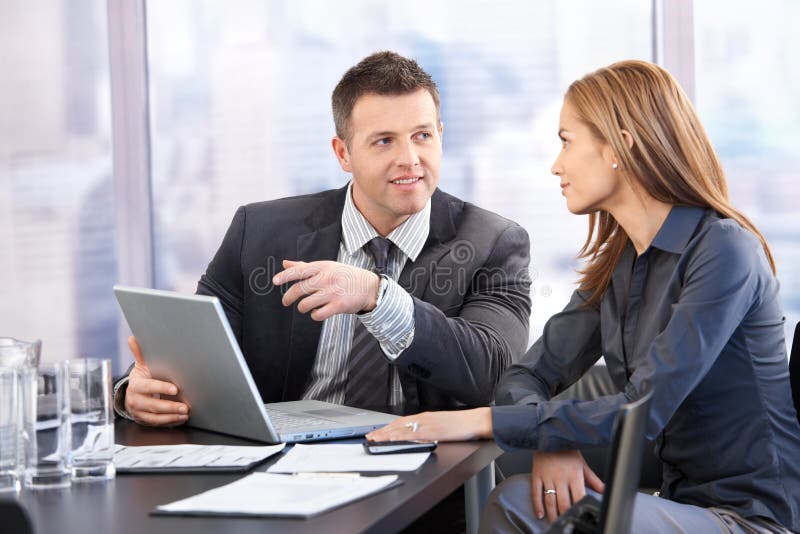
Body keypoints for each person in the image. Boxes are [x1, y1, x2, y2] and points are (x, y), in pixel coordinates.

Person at [367, 60, 800, 533]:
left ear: (620, 146)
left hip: (751, 520)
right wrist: (553, 444)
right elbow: (527, 375)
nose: (557, 164)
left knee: (520, 506)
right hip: (678, 505)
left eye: (567, 141)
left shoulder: (724, 250)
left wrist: (477, 422)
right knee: (519, 498)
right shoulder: (620, 264)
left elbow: (644, 410)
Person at [113, 51, 532, 426]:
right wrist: (137, 392)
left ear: (440, 134)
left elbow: (494, 375)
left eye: (422, 135)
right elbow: (195, 359)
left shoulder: (492, 243)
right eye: (384, 141)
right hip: (280, 476)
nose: (410, 159)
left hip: (424, 483)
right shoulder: (259, 232)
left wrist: (377, 297)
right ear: (342, 153)